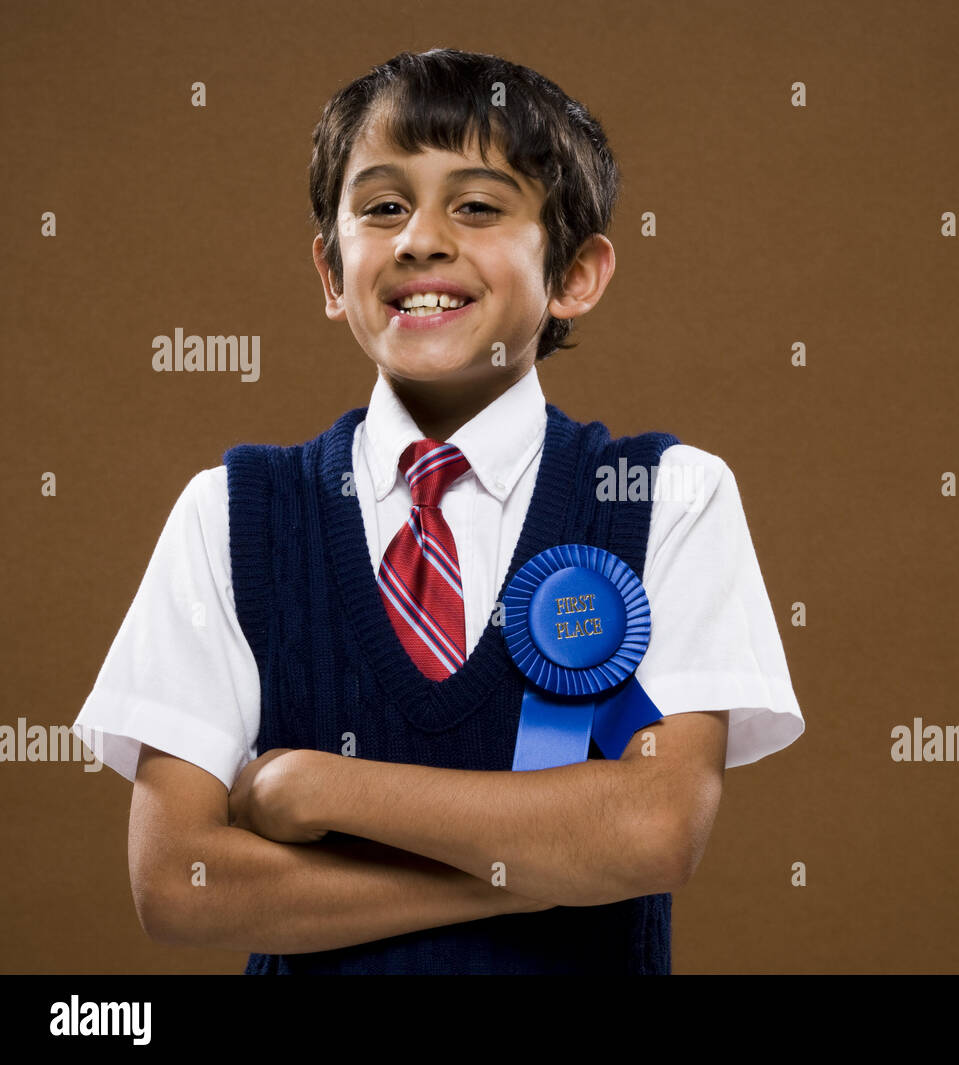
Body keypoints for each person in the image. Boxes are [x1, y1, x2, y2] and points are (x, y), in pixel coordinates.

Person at [73, 47, 803, 974]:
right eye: (381, 207)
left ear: (575, 273)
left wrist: (319, 785)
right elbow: (178, 882)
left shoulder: (669, 496)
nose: (420, 239)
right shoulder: (230, 514)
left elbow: (653, 829)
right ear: (333, 275)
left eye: (478, 206)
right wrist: (537, 874)